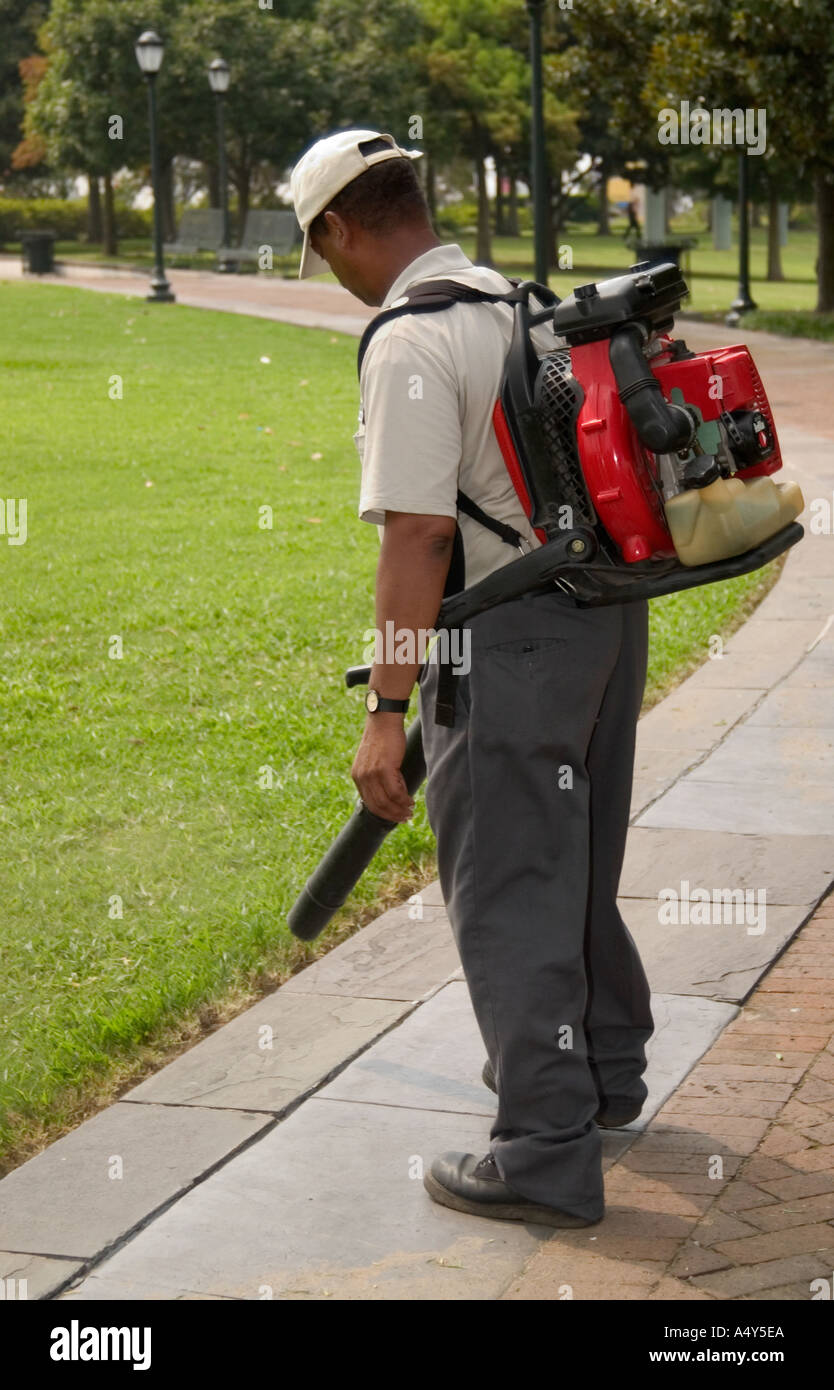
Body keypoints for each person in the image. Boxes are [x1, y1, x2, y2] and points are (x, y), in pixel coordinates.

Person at [289, 128, 654, 1229]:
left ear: (342, 228)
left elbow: (417, 538)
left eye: (325, 255)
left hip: (508, 642)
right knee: (576, 862)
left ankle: (544, 1149)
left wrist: (386, 711)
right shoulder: (511, 297)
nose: (338, 280)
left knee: (506, 888)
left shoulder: (408, 339)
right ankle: (606, 1079)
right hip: (603, 619)